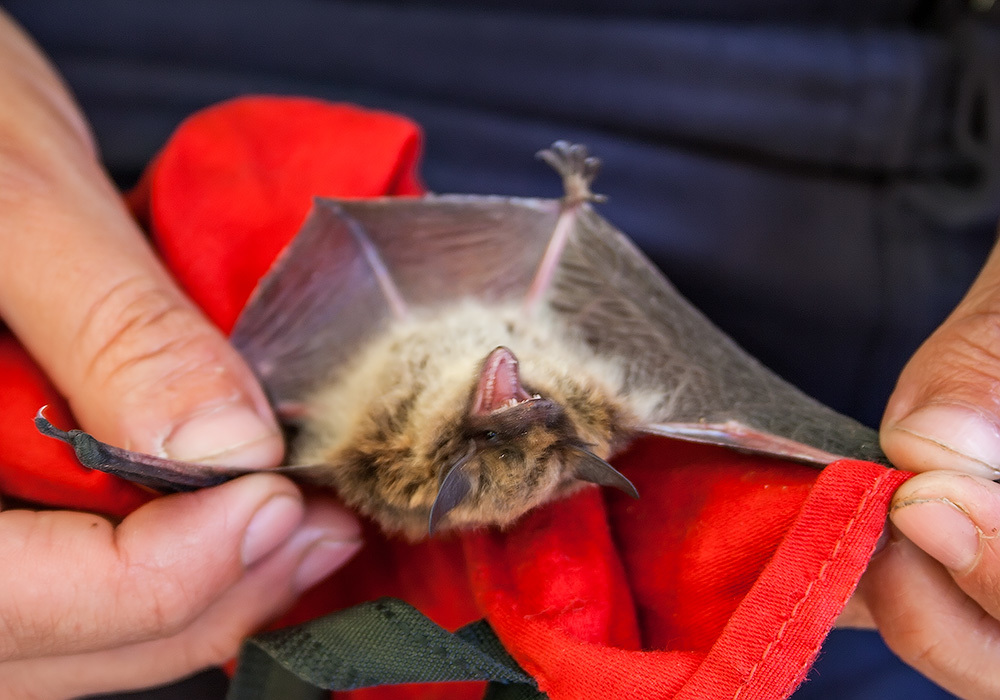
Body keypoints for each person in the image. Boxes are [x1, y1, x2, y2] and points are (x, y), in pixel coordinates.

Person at [0, 3, 998, 698]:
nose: (510, 391)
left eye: (496, 416)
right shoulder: (577, 404)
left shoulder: (372, 438)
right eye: (528, 408)